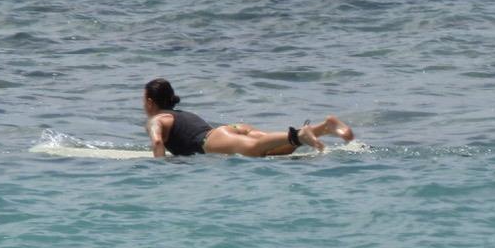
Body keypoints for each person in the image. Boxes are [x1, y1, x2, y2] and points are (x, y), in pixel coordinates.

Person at [142, 78, 354, 158]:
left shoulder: (156, 120)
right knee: (274, 148)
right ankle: (325, 127)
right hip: (230, 129)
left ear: (151, 102)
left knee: (255, 149)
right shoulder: (179, 114)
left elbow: (158, 141)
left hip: (214, 140)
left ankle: (299, 134)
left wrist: (160, 169)